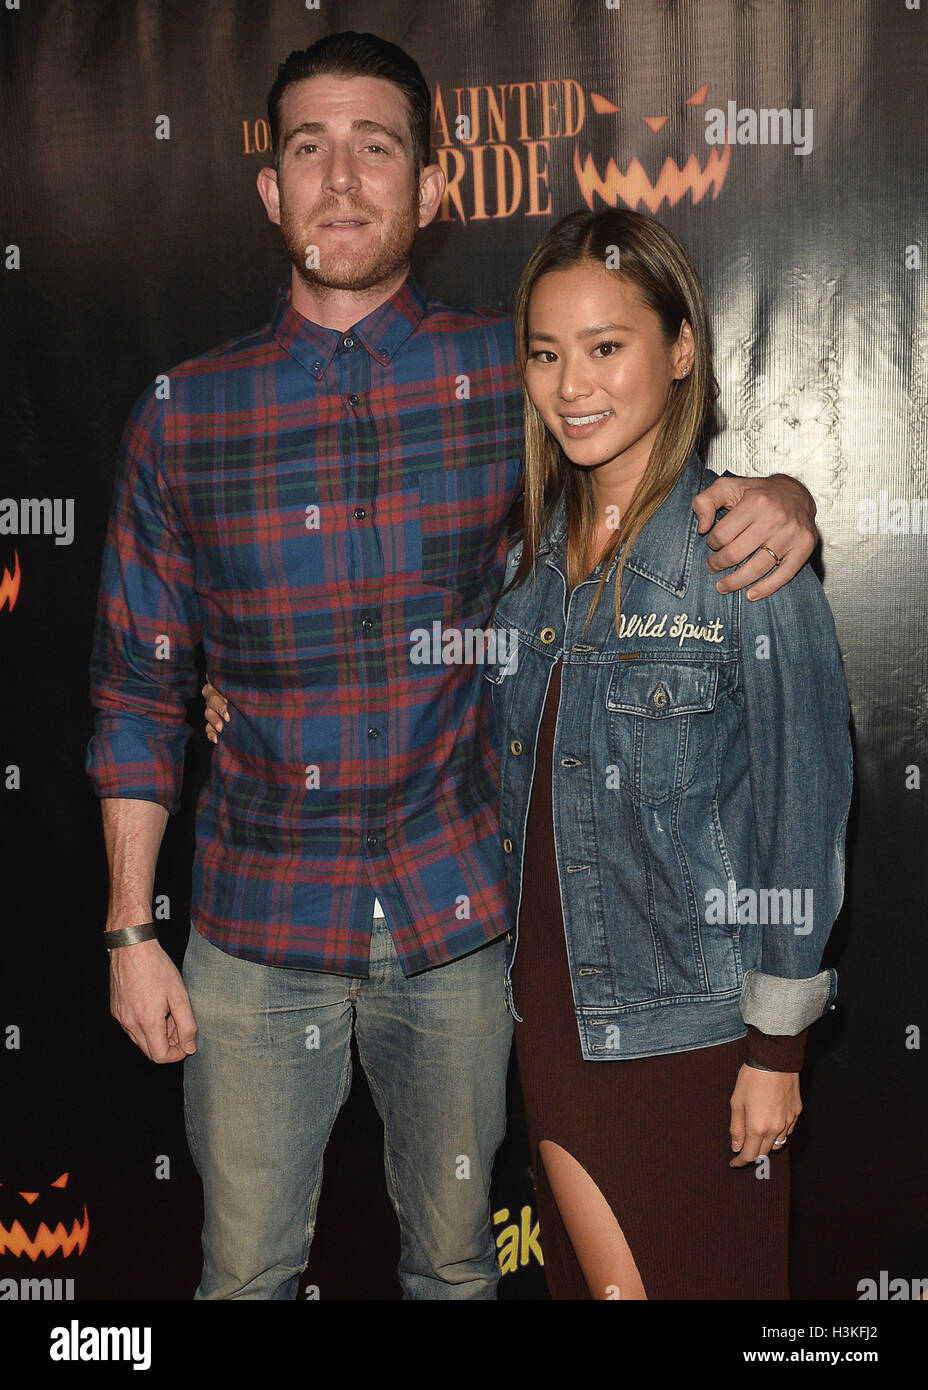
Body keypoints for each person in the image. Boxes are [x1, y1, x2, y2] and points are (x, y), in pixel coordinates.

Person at [88, 32, 821, 1302]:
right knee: (244, 1272)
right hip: (256, 933)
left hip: (461, 934)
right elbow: (137, 689)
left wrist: (788, 495)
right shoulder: (185, 415)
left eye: (378, 147)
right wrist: (127, 927)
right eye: (307, 148)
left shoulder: (516, 372)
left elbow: (651, 467)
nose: (340, 178)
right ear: (269, 189)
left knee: (456, 1269)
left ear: (433, 190)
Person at [485, 208, 851, 1299]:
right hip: (554, 1023)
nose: (572, 383)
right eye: (546, 353)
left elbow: (805, 808)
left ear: (679, 349)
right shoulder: (527, 570)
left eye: (607, 347)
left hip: (695, 1036)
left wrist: (775, 1049)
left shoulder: (737, 554)